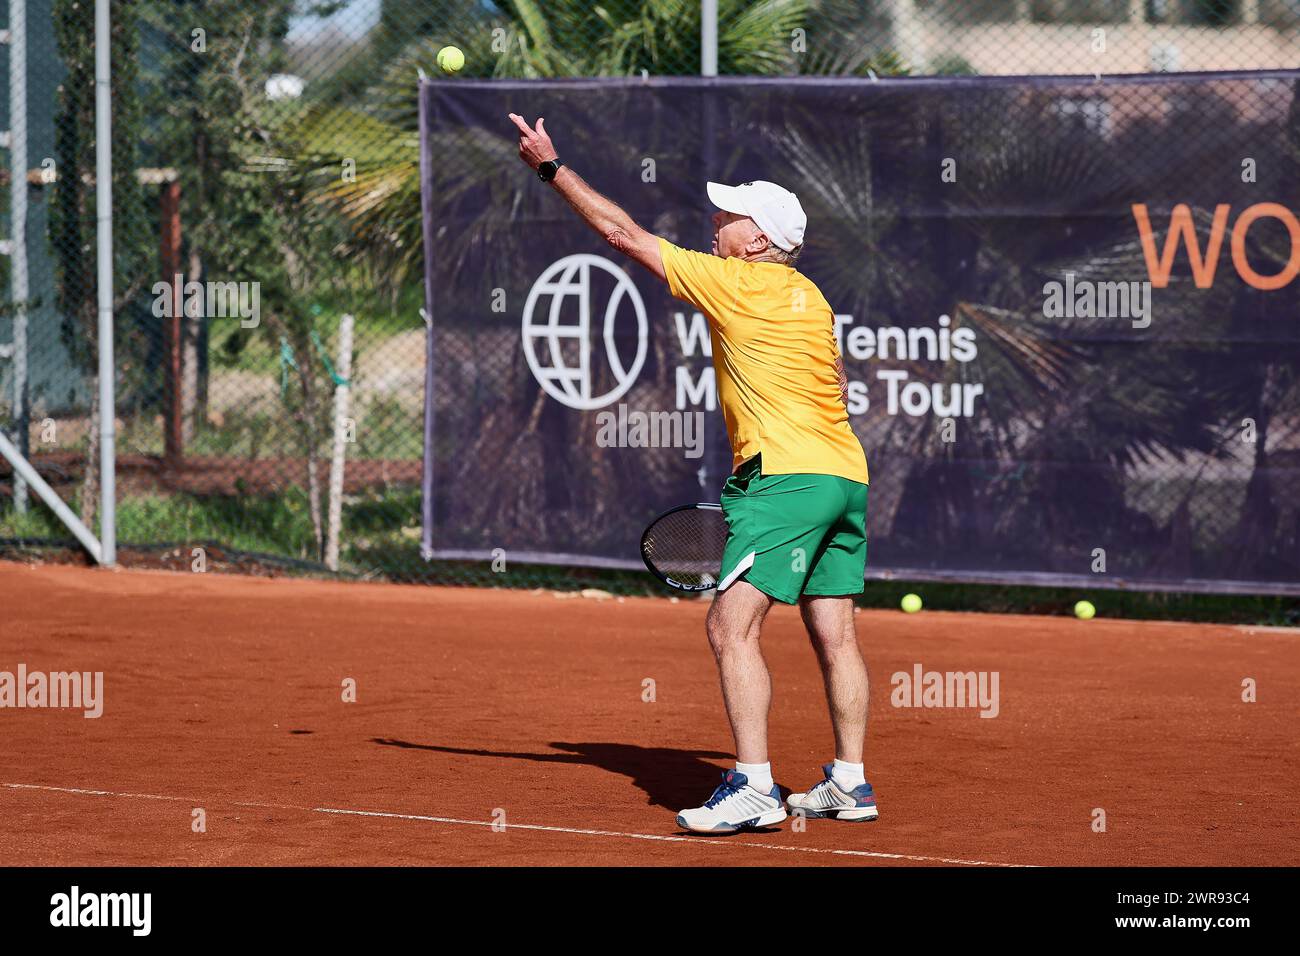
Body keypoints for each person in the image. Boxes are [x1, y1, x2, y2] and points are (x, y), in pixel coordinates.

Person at [509, 113, 877, 834]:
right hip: (845, 475)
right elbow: (834, 376)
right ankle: (850, 784)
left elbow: (621, 234)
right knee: (836, 637)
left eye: (733, 215)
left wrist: (553, 169)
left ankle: (754, 788)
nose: (718, 220)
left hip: (788, 479)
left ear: (761, 241)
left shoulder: (739, 283)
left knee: (729, 629)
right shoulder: (813, 299)